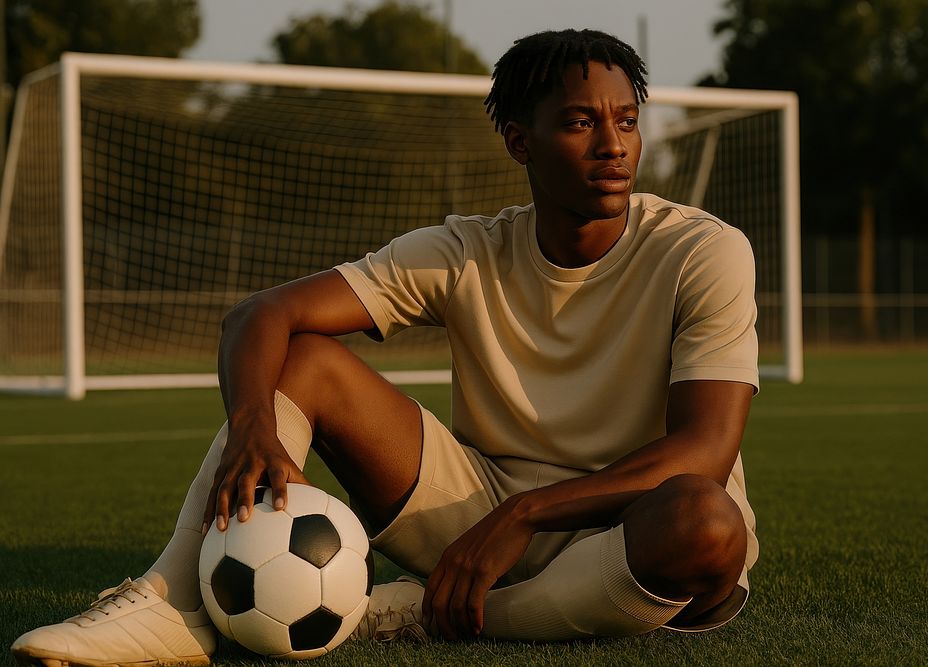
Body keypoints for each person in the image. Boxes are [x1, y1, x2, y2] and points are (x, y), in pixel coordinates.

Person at [11, 27, 759, 666]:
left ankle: (420, 612)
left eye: (626, 121)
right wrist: (253, 426)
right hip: (481, 508)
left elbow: (705, 451)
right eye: (580, 123)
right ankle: (173, 598)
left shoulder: (703, 250)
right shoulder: (466, 249)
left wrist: (524, 514)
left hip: (626, 527)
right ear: (519, 142)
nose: (612, 145)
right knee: (303, 357)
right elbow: (259, 315)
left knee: (707, 522)